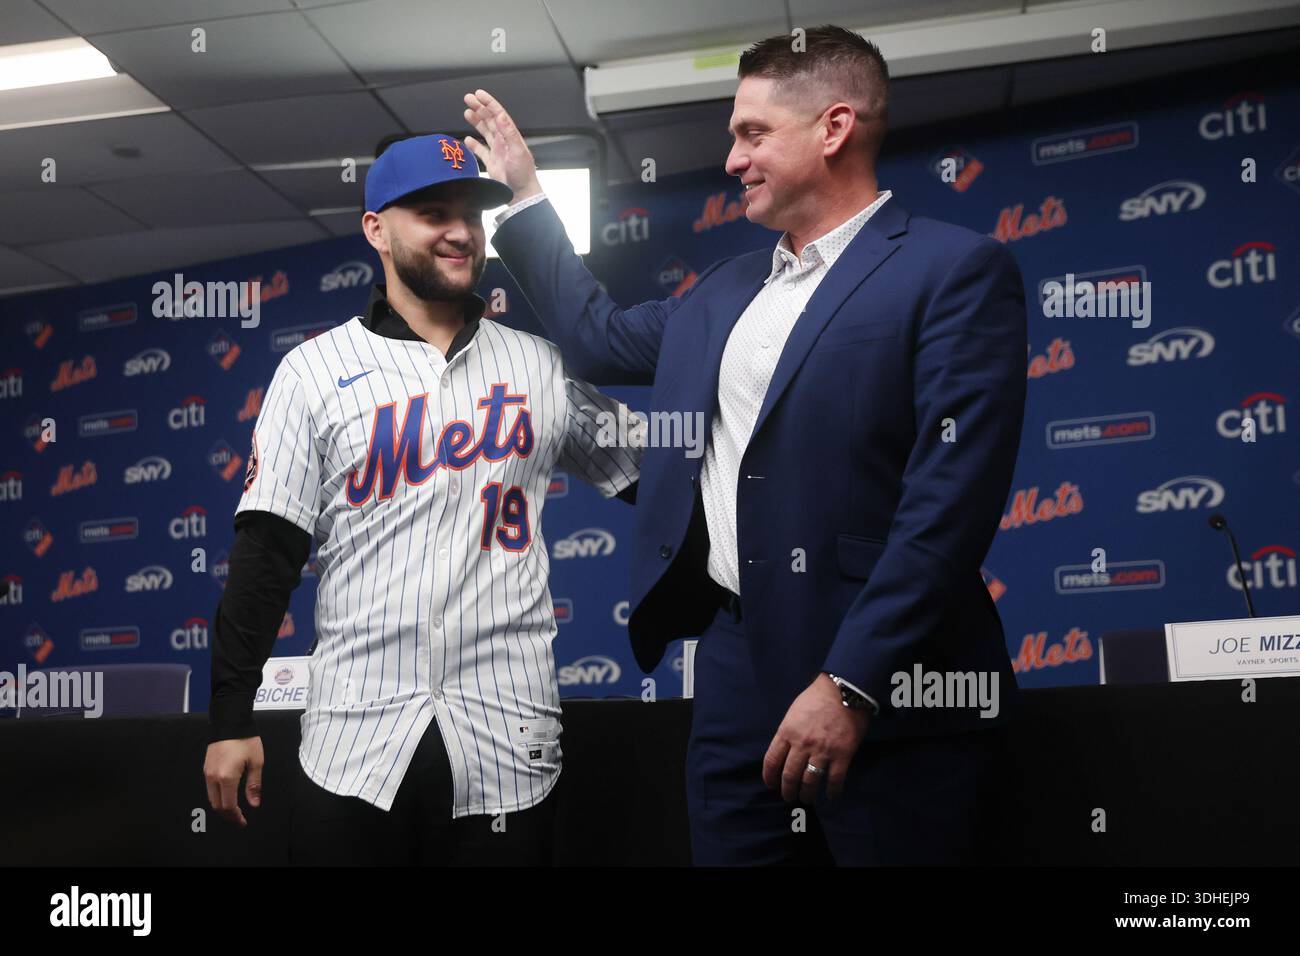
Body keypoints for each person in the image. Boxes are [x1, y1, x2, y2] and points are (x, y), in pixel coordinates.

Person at [463, 24, 1028, 865]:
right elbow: (596, 339)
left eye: (752, 133)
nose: (732, 159)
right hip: (732, 678)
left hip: (893, 687)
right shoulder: (723, 290)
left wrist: (851, 682)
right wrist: (525, 194)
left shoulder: (955, 271)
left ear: (833, 129)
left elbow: (947, 508)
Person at [202, 133, 643, 865]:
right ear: (376, 228)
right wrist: (229, 717)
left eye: (470, 213)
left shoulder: (538, 366)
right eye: (433, 212)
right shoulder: (312, 372)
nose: (461, 231)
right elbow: (266, 554)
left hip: (510, 745)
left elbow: (652, 484)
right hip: (354, 744)